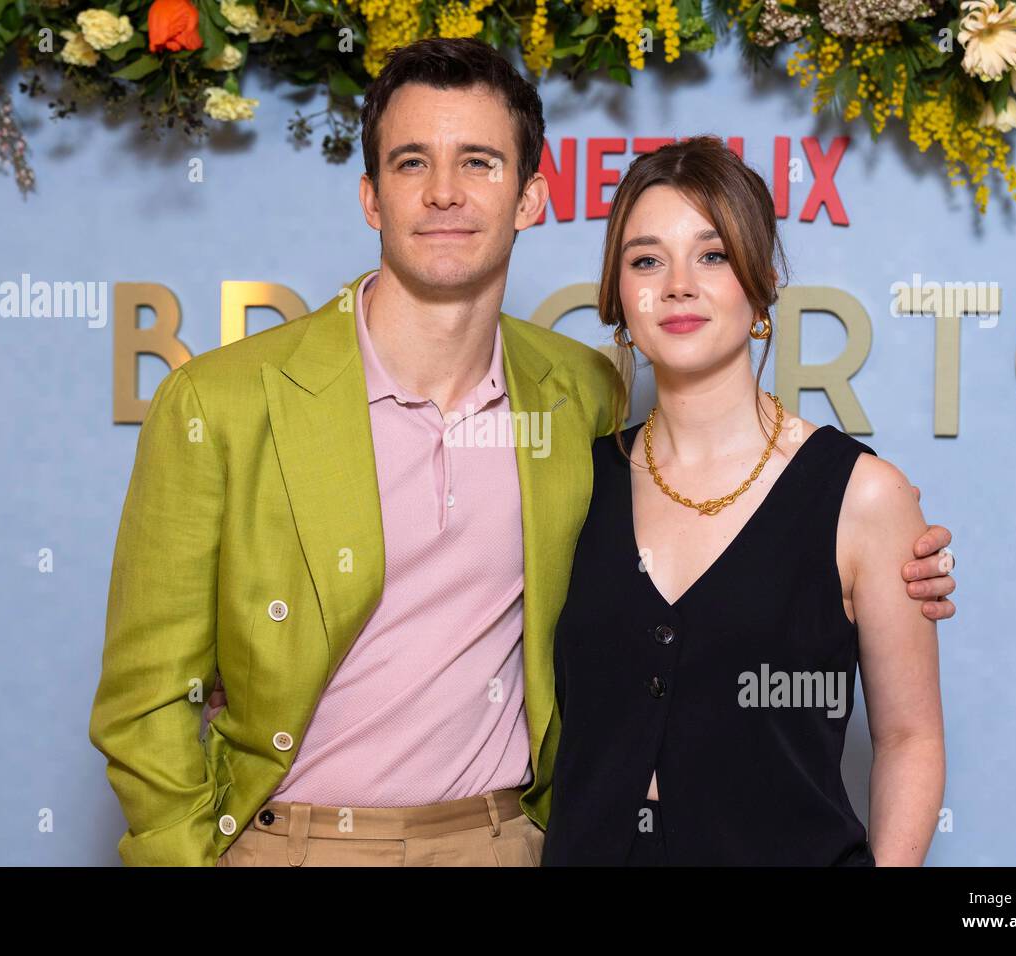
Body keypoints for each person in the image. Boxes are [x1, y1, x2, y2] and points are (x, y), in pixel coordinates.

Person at [88, 38, 957, 868]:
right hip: (293, 843)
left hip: (501, 843)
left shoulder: (572, 396)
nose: (443, 194)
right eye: (410, 162)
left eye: (478, 162)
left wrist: (881, 551)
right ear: (369, 197)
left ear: (530, 198)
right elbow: (144, 700)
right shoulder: (221, 403)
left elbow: (849, 672)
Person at [541, 135, 947, 866]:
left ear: (758, 285)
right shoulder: (579, 480)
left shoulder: (862, 494)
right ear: (617, 297)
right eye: (645, 260)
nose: (677, 285)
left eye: (713, 254)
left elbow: (910, 738)